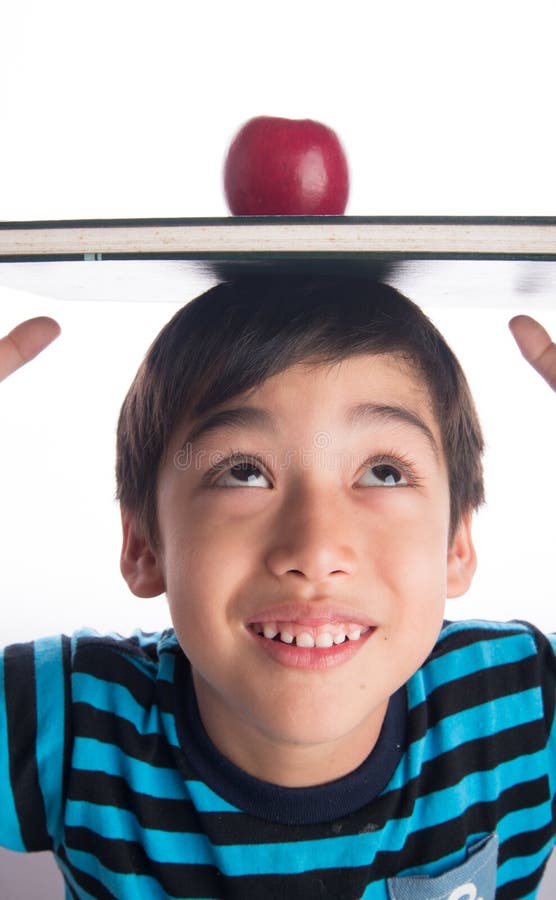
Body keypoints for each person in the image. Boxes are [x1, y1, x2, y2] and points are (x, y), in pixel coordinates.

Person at [0, 276, 555, 900]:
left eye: (383, 472)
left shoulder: (525, 703)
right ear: (144, 545)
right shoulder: (69, 723)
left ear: (456, 544)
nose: (315, 551)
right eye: (243, 472)